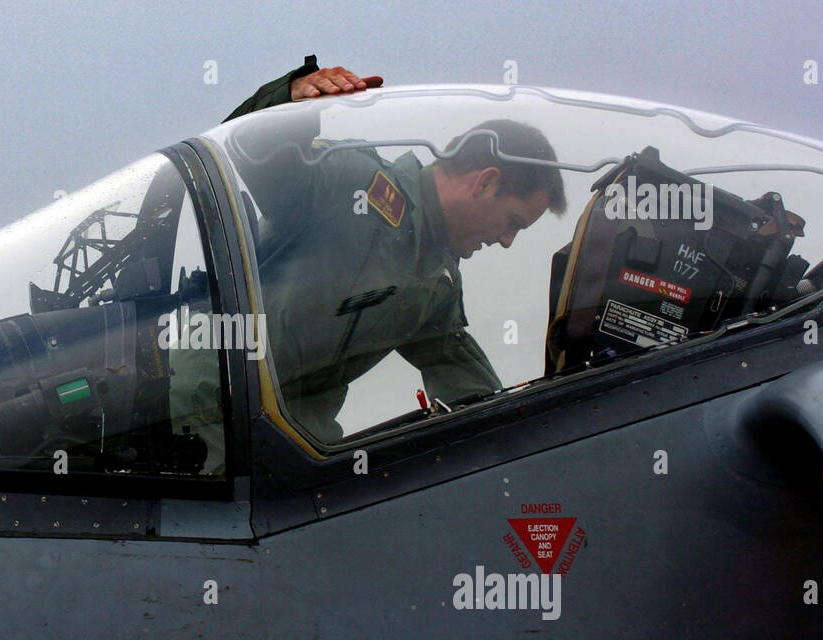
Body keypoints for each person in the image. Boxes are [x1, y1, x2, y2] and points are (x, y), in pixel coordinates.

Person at [223, 55, 568, 442]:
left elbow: (469, 389)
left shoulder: (437, 281)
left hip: (279, 444)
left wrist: (538, 435)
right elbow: (248, 150)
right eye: (513, 223)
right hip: (193, 418)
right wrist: (288, 99)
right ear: (485, 183)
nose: (507, 241)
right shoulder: (354, 182)